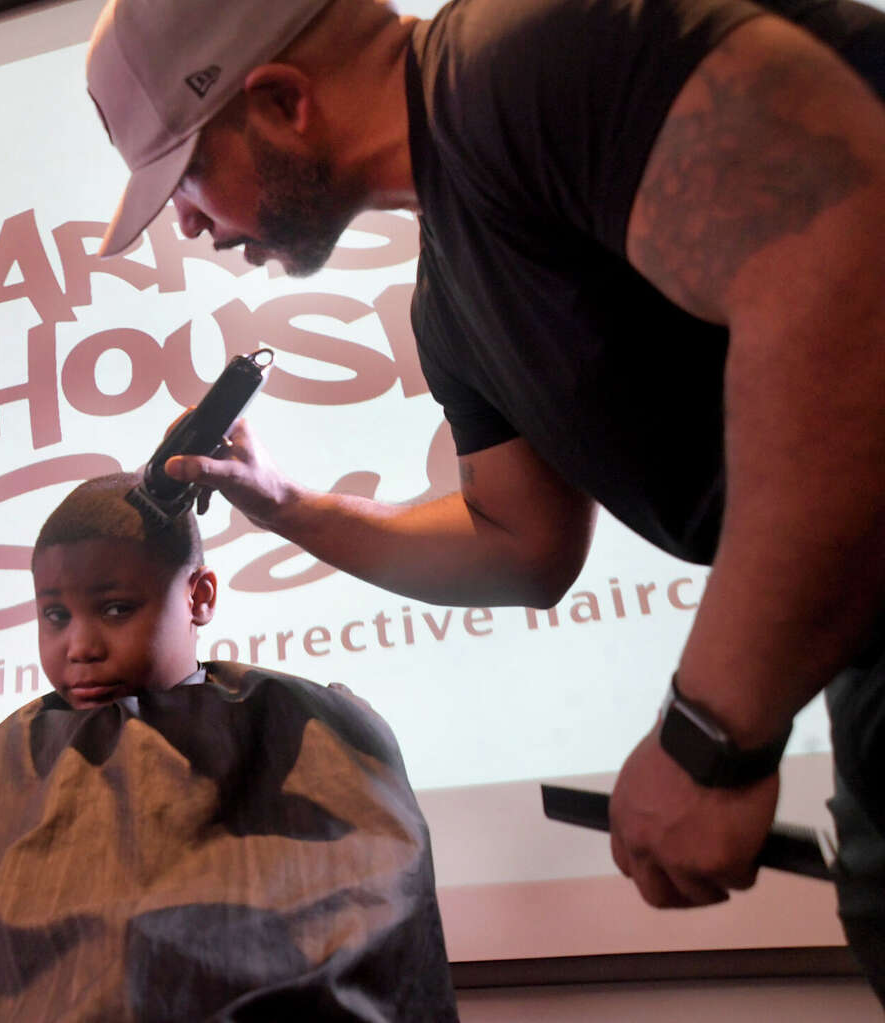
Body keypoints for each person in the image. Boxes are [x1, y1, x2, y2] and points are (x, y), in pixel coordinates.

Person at [83, 0, 885, 1000]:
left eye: (190, 176)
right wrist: (286, 504)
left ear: (284, 102)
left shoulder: (526, 58)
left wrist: (710, 736)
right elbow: (523, 547)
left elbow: (850, 289)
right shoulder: (453, 305)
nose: (193, 223)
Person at [0, 473, 458, 1021]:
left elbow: (361, 930)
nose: (80, 645)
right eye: (55, 615)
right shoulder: (0, 763)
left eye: (114, 608)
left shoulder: (307, 727)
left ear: (199, 596)